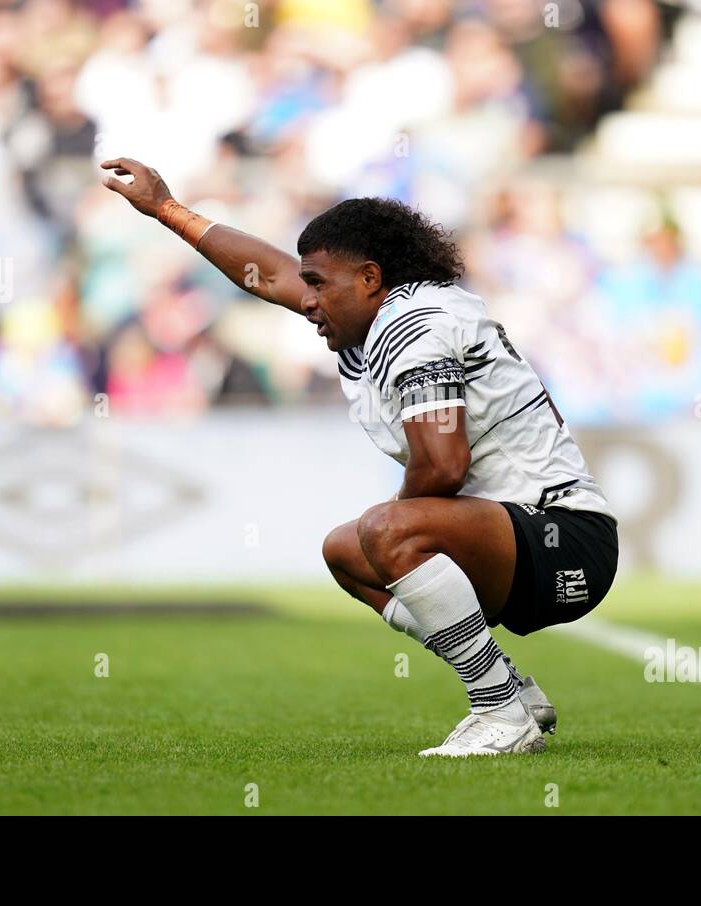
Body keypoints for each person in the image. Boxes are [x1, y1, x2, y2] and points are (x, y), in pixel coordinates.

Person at [101, 158, 618, 757]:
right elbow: (264, 275)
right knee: (346, 551)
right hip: (514, 536)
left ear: (370, 278)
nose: (308, 299)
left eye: (319, 283)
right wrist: (167, 208)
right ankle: (510, 691)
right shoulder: (382, 315)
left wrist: (394, 526)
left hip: (563, 540)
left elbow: (443, 465)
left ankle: (497, 707)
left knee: (383, 532)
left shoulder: (416, 327)